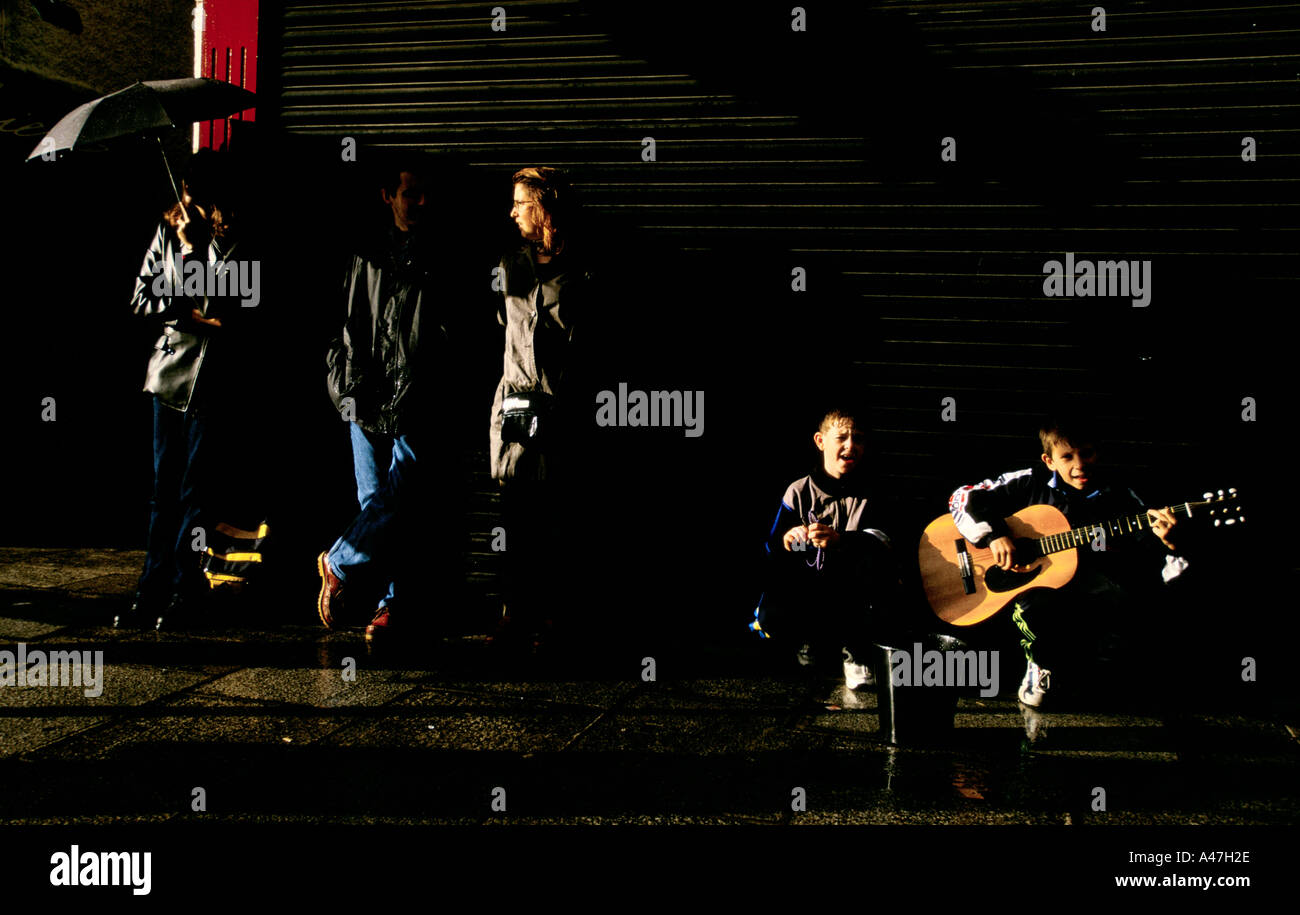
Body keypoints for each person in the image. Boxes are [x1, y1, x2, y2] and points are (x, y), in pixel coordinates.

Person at [946, 416, 1185, 709]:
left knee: (1126, 605)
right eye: (1067, 457)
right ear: (1049, 461)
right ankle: (1040, 666)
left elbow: (1158, 560)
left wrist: (1173, 543)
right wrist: (995, 535)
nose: (1079, 465)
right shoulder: (1031, 481)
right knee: (1036, 604)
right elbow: (963, 497)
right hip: (1034, 589)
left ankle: (1103, 671)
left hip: (1095, 583)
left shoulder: (1122, 497)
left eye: (1087, 453)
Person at [317, 156, 453, 642]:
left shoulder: (441, 252)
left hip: (416, 399)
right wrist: (341, 381)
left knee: (400, 501)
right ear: (387, 196)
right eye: (409, 193)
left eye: (424, 194)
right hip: (365, 397)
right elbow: (337, 321)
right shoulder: (362, 252)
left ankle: (341, 561)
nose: (419, 203)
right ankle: (387, 606)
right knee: (376, 501)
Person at [120, 149, 252, 630]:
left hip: (215, 381)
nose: (190, 205)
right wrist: (184, 312)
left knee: (197, 493)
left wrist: (195, 253)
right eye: (186, 193)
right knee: (162, 492)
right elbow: (140, 297)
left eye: (200, 196)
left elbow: (230, 307)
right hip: (169, 375)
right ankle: (149, 588)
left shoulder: (237, 241)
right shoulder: (165, 231)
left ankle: (185, 589)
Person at [488, 166, 595, 650]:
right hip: (514, 409)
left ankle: (556, 618)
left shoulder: (583, 271)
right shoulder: (509, 264)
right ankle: (515, 613)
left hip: (561, 412)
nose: (512, 212)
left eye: (520, 203)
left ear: (544, 207)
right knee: (515, 515)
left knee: (559, 517)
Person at [751, 409, 903, 691]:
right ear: (820, 441)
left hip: (854, 592)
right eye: (841, 438)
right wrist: (791, 538)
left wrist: (841, 540)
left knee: (870, 577)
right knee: (772, 613)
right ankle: (809, 641)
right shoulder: (798, 491)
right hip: (811, 590)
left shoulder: (872, 493)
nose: (850, 446)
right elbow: (771, 550)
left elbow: (886, 543)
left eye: (857, 439)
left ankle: (855, 652)